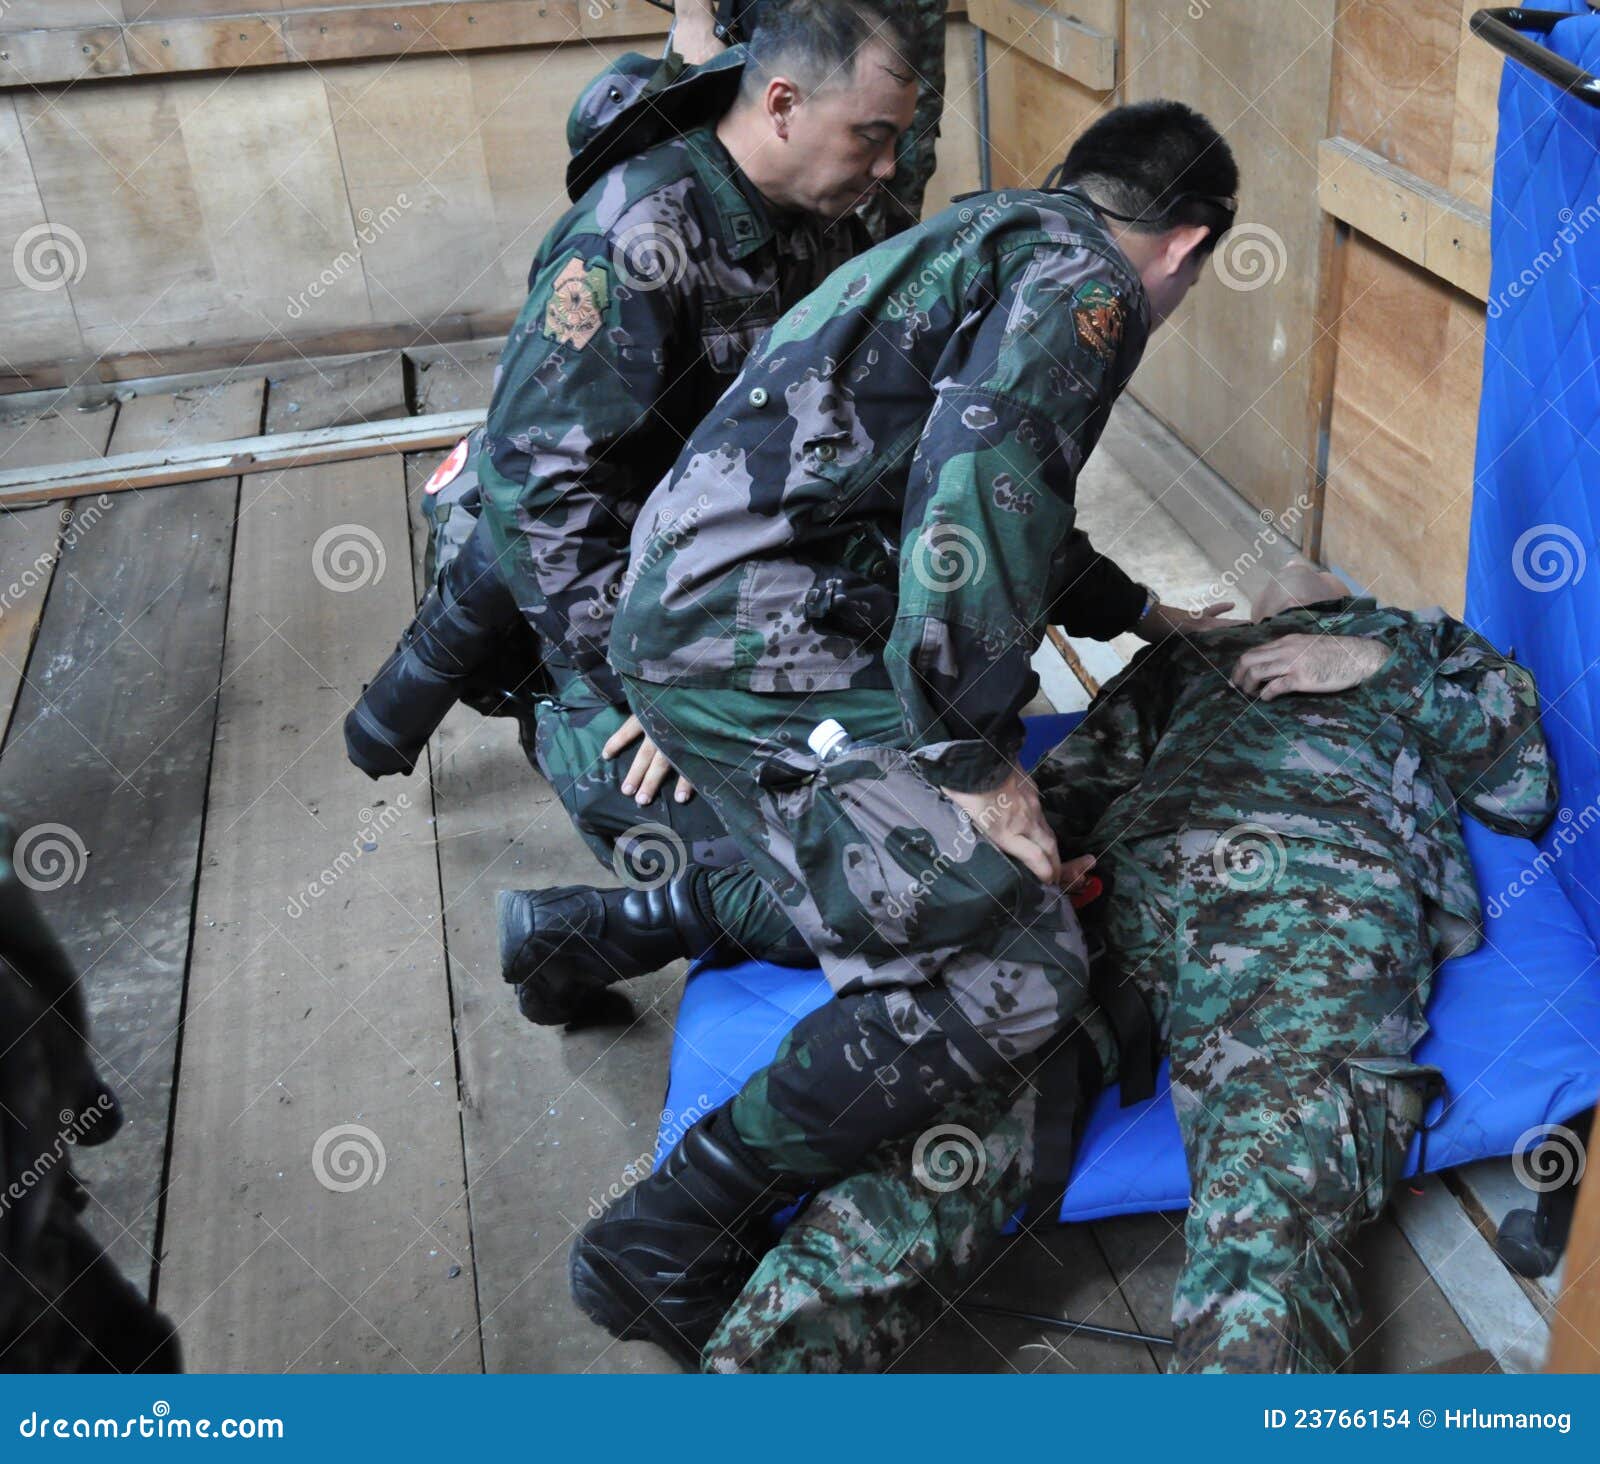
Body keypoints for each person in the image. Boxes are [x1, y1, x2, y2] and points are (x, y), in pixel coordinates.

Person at [547, 101, 1242, 1367]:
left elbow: (995, 477)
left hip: (734, 600)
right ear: (1187, 246)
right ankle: (661, 1236)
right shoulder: (1092, 290)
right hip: (750, 641)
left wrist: (1143, 612)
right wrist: (980, 767)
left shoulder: (1002, 233)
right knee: (1019, 969)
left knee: (927, 895)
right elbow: (975, 506)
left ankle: (582, 934)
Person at [701, 562, 1557, 1374]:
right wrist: (1036, 870)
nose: (1291, 589)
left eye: (1314, 588)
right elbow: (1080, 772)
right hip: (1126, 879)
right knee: (943, 1141)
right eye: (1277, 592)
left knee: (1273, 1205)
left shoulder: (1420, 646)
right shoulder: (1193, 656)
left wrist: (1370, 661)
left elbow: (1519, 786)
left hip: (1314, 896)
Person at [345, 0, 921, 1029]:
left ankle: (619, 913)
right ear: (782, 106)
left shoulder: (837, 222)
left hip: (730, 590)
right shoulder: (637, 238)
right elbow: (544, 502)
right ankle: (593, 930)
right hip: (590, 622)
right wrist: (655, 690)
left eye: (895, 143)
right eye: (869, 139)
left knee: (910, 837)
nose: (886, 169)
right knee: (821, 896)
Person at [671, 0, 949, 240]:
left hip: (906, 14)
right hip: (797, 25)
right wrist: (693, 16)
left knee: (893, 188)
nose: (887, 168)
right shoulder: (656, 226)